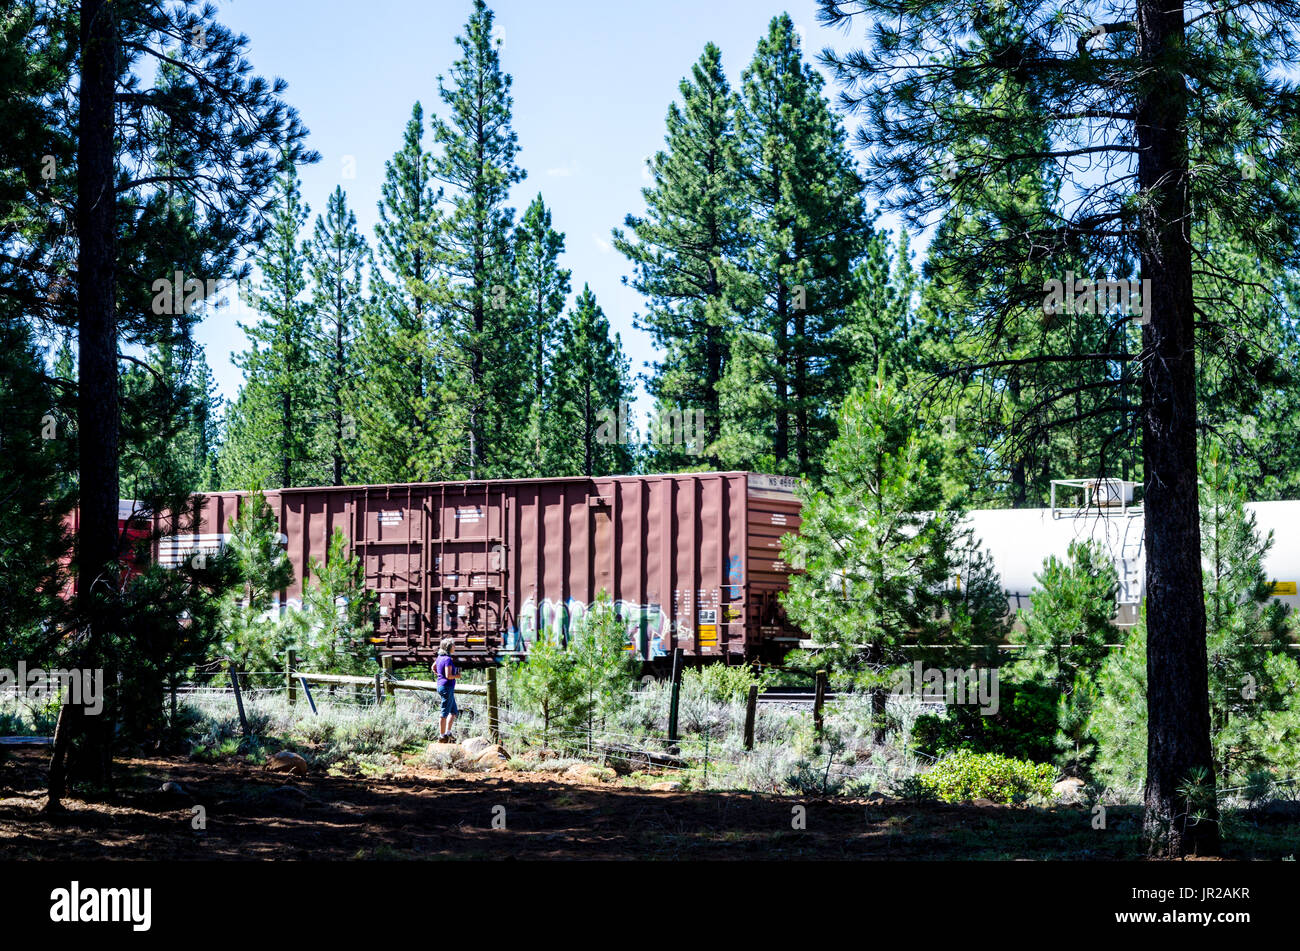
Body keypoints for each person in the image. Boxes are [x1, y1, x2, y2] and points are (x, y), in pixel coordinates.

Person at [434, 638, 460, 743]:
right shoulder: (448, 660)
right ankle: (442, 736)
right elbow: (449, 676)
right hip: (447, 687)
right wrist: (457, 676)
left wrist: (439, 675)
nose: (455, 647)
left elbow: (433, 667)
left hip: (442, 686)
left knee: (453, 711)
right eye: (453, 645)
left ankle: (448, 733)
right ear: (449, 647)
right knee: (444, 712)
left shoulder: (439, 657)